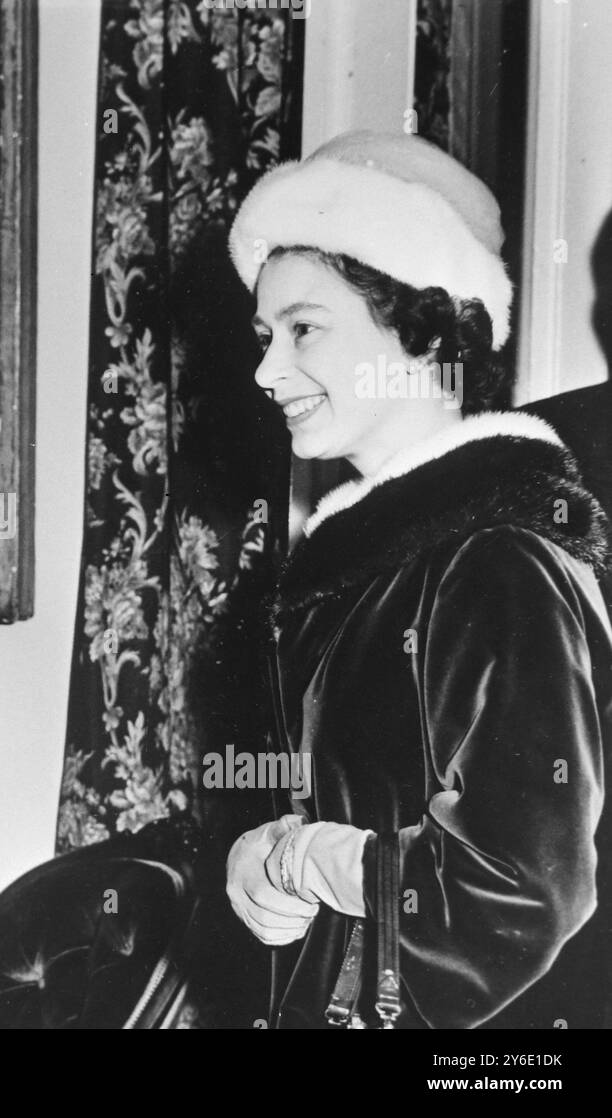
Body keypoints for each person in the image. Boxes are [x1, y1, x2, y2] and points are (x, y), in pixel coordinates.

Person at [223, 130, 612, 1028]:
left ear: (418, 324)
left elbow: (519, 896)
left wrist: (311, 859)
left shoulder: (497, 559)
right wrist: (257, 851)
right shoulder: (377, 564)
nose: (266, 370)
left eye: (304, 330)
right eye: (263, 335)